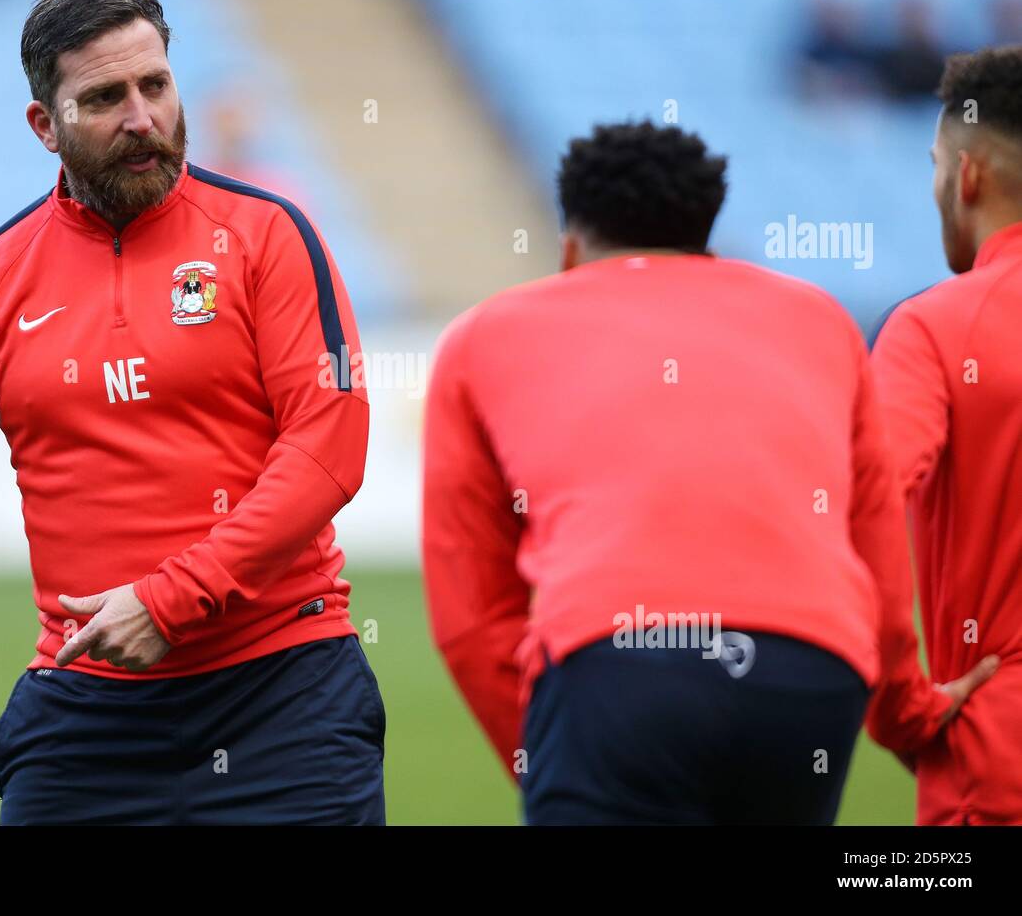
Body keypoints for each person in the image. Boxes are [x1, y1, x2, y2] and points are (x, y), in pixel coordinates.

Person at [0, 0, 382, 824]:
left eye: (156, 85)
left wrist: (171, 598)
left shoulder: (266, 234)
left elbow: (328, 448)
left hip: (285, 697)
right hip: (84, 718)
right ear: (45, 126)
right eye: (105, 97)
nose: (142, 118)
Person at [421, 120, 994, 825]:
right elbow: (873, 548)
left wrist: (546, 750)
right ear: (707, 241)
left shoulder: (482, 336)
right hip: (809, 676)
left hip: (618, 664)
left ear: (570, 248)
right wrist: (906, 714)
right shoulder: (817, 318)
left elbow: (470, 611)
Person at [870, 46, 1022, 825]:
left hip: (996, 766)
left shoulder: (934, 327)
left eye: (935, 163)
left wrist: (899, 710)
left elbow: (860, 522)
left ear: (966, 177)